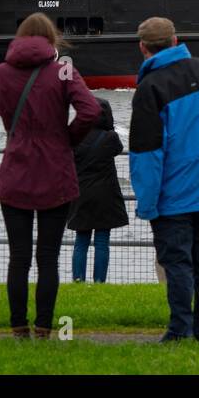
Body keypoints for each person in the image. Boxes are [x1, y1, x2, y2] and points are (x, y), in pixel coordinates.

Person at [0, 13, 99, 338]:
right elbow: (91, 110)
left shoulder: (0, 72)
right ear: (51, 40)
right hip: (55, 171)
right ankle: (44, 327)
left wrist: (20, 134)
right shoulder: (63, 70)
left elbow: (4, 113)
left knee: (18, 257)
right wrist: (67, 138)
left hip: (15, 170)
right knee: (48, 257)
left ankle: (17, 327)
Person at [129, 17, 199, 343]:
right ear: (176, 41)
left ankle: (179, 329)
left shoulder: (150, 88)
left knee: (177, 263)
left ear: (143, 47)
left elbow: (147, 154)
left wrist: (147, 204)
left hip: (172, 195)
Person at [67, 97, 129, 283]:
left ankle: (78, 280)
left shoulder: (75, 136)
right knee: (102, 241)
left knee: (81, 240)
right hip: (105, 195)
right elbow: (118, 149)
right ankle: (99, 282)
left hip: (81, 194)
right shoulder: (110, 138)